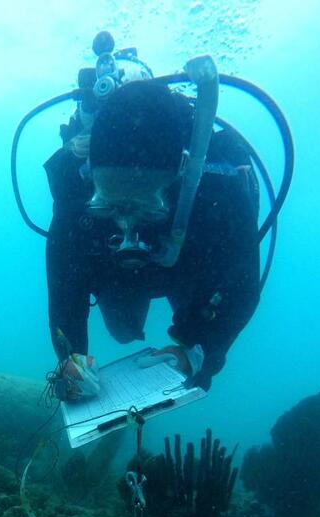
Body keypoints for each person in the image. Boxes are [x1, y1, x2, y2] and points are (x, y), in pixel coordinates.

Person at [44, 65, 261, 400]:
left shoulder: (218, 196)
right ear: (92, 181)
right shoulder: (76, 195)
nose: (127, 225)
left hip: (188, 261)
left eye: (144, 208)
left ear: (180, 176)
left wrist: (199, 352)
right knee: (123, 331)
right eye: (110, 206)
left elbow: (243, 287)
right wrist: (70, 356)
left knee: (192, 328)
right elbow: (64, 288)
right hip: (113, 272)